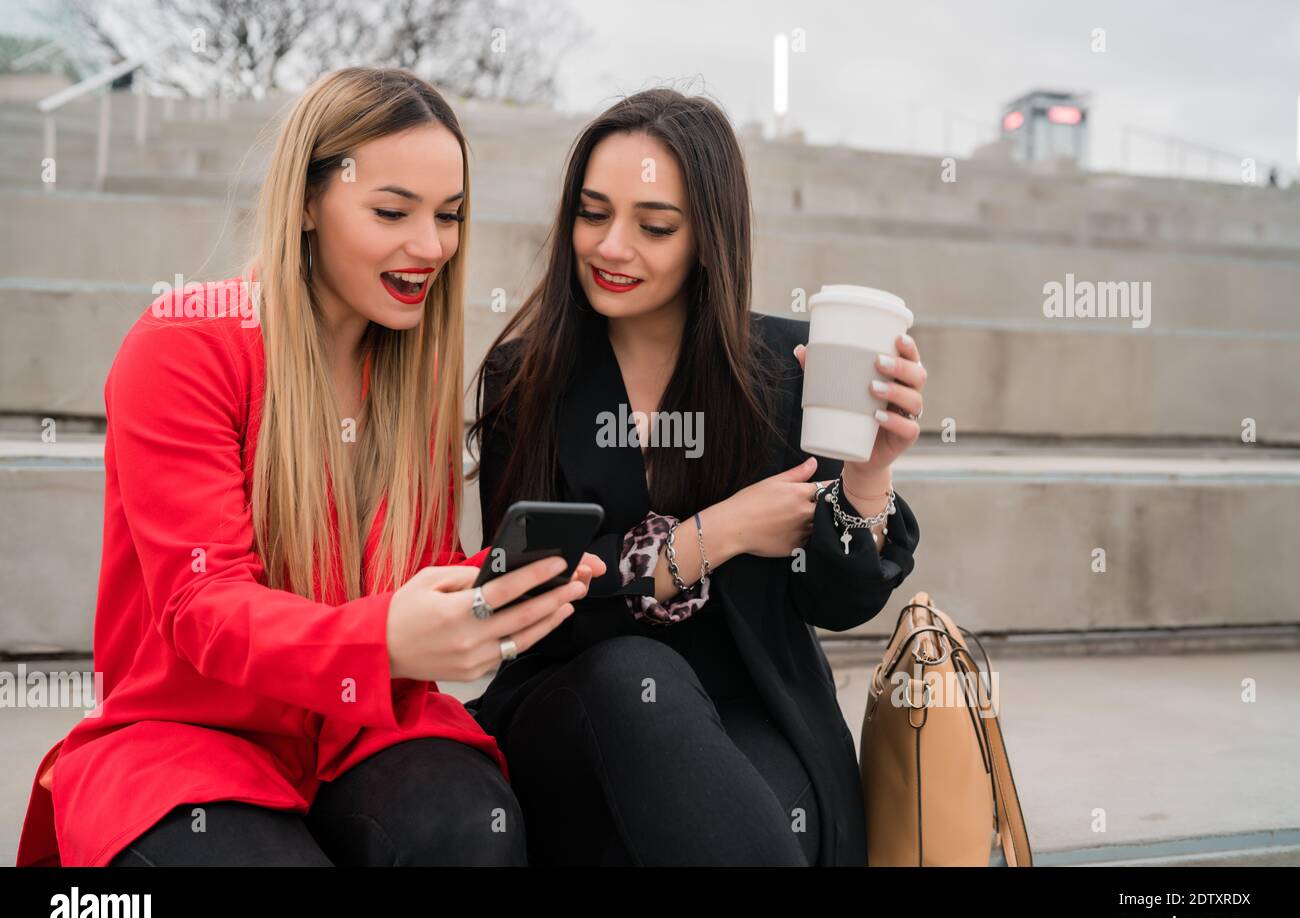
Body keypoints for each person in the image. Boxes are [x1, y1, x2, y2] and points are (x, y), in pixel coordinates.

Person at [15, 67, 600, 868]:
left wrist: (494, 589)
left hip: (355, 728)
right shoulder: (183, 345)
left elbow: (405, 574)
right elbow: (203, 604)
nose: (430, 246)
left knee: (468, 830)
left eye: (450, 215)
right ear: (305, 205)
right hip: (190, 738)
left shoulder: (407, 368)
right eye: (392, 211)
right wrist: (385, 640)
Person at [464, 88, 925, 866]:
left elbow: (835, 599)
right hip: (571, 705)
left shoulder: (785, 367)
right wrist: (714, 535)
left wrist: (870, 478)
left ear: (708, 238)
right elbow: (529, 599)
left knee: (755, 822)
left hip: (747, 704)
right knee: (634, 677)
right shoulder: (525, 378)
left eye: (653, 227)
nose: (611, 247)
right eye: (592, 213)